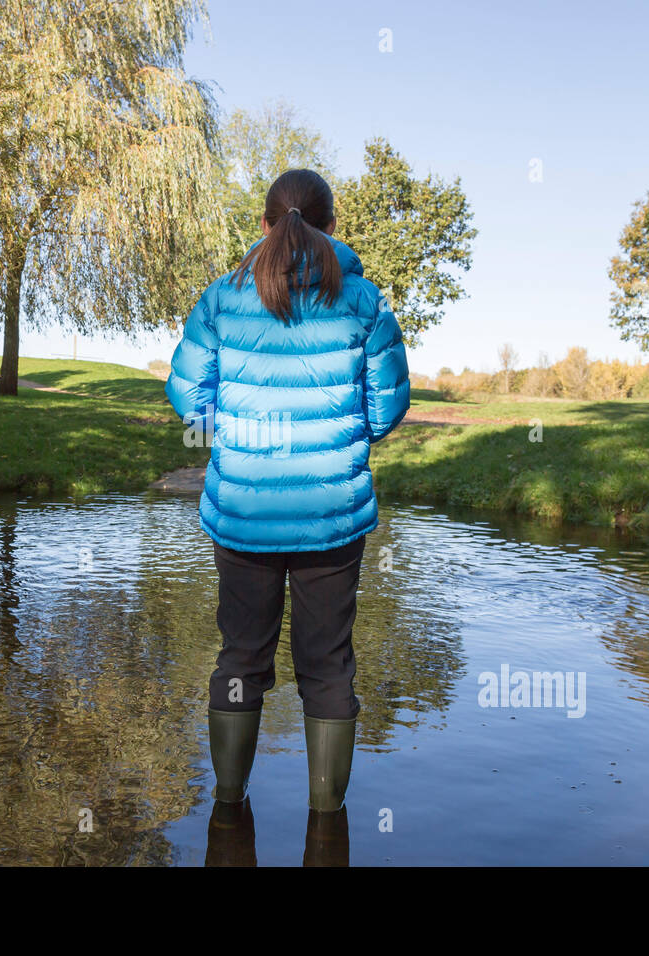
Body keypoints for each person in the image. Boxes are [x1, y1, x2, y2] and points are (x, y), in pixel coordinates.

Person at [165, 169, 410, 813]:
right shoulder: (364, 302)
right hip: (330, 516)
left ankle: (227, 807)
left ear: (267, 224)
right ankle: (327, 823)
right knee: (328, 665)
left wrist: (239, 434)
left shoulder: (221, 299)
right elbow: (385, 409)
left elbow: (189, 398)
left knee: (241, 656)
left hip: (244, 509)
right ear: (331, 227)